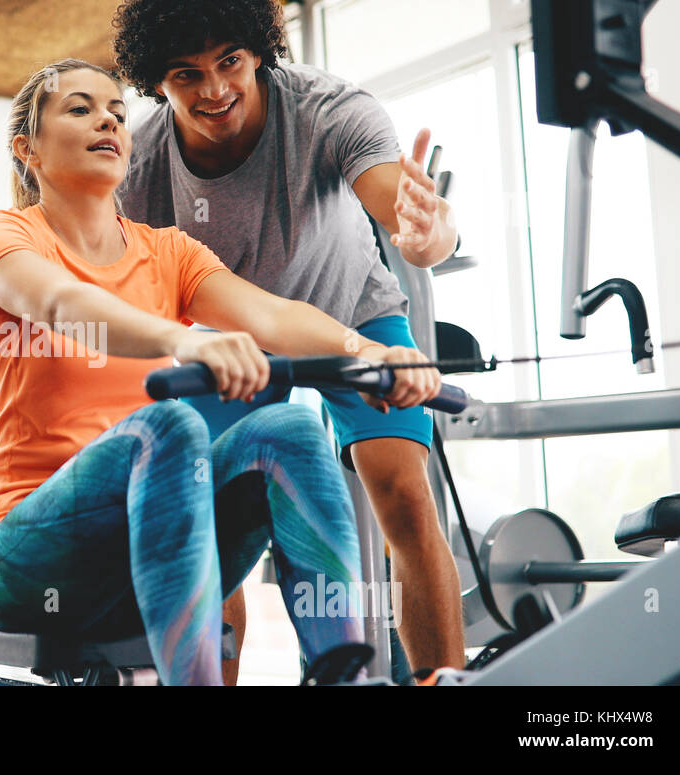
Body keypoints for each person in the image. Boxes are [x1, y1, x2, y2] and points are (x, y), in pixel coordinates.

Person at [0, 59, 441, 685]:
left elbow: (271, 316)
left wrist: (368, 351)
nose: (108, 120)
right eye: (80, 109)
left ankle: (343, 673)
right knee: (165, 428)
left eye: (115, 111)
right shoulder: (8, 237)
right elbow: (62, 304)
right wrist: (179, 342)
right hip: (26, 560)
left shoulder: (169, 250)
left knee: (287, 430)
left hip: (142, 555)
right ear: (26, 147)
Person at [112, 0, 465, 681]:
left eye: (229, 63)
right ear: (156, 81)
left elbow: (404, 210)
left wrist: (429, 235)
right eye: (187, 75)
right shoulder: (142, 169)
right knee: (206, 512)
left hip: (354, 319)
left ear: (259, 51)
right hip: (233, 343)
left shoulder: (328, 109)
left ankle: (441, 677)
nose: (214, 90)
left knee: (400, 489)